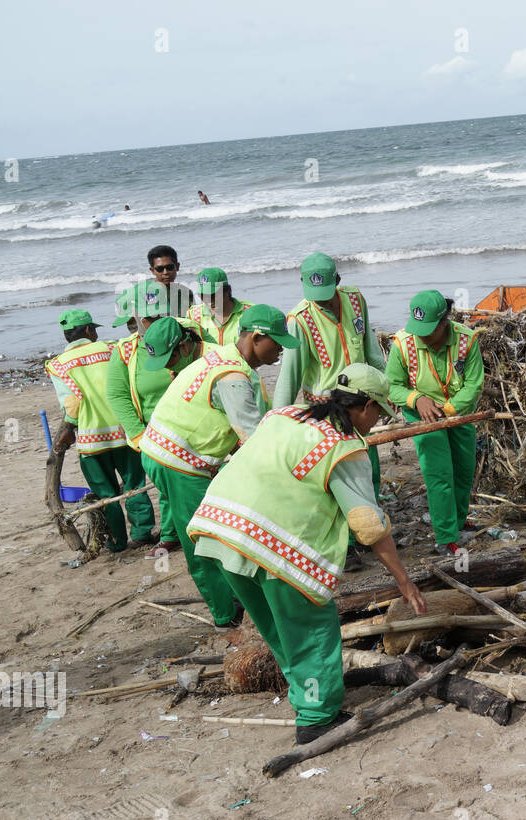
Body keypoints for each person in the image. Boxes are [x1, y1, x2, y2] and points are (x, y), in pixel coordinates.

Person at [188, 364, 426, 744]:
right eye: (378, 411)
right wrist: (404, 580)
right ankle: (316, 720)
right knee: (313, 631)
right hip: (271, 546)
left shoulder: (284, 415)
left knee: (281, 631)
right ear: (364, 407)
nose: (377, 420)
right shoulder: (344, 448)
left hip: (220, 531)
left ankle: (308, 696)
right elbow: (367, 526)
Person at [139, 307, 296, 625]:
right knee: (205, 540)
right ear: (256, 337)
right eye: (276, 341)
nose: (281, 349)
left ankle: (235, 596)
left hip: (184, 455)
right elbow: (253, 438)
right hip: (176, 461)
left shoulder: (225, 357)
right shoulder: (233, 376)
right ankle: (226, 617)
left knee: (219, 526)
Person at [275, 252, 388, 567]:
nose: (322, 303)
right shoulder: (298, 320)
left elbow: (371, 350)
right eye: (315, 298)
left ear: (337, 282)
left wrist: (384, 390)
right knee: (336, 477)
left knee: (367, 469)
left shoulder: (355, 301)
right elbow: (290, 375)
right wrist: (276, 422)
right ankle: (346, 545)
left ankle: (369, 530)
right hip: (326, 410)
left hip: (362, 403)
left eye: (327, 295)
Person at [385, 291, 484, 556]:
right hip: (423, 416)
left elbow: (474, 384)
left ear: (445, 322)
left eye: (429, 330)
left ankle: (460, 522)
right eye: (419, 330)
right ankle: (446, 537)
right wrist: (416, 400)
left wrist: (449, 408)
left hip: (458, 412)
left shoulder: (466, 339)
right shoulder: (403, 343)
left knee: (463, 471)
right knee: (439, 475)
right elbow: (392, 385)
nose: (423, 336)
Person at [45, 309, 152, 551]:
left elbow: (72, 402)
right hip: (125, 431)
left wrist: (69, 428)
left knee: (104, 494)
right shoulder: (111, 349)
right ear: (88, 331)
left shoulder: (58, 365)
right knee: (134, 486)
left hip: (91, 440)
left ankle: (116, 542)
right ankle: (143, 532)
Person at [105, 279, 195, 556]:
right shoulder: (125, 351)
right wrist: (137, 435)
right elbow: (117, 395)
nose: (154, 320)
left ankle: (186, 531)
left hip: (192, 427)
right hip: (151, 433)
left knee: (192, 485)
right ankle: (171, 534)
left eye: (159, 314)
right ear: (136, 318)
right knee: (166, 489)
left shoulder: (189, 337)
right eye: (147, 316)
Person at [185, 267, 250, 347]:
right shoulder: (194, 316)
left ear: (228, 290)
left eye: (213, 295)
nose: (208, 300)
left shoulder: (248, 313)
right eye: (203, 295)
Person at [146, 244, 193, 319]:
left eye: (169, 267)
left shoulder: (186, 293)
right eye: (160, 269)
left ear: (177, 267)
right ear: (152, 270)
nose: (165, 272)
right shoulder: (146, 295)